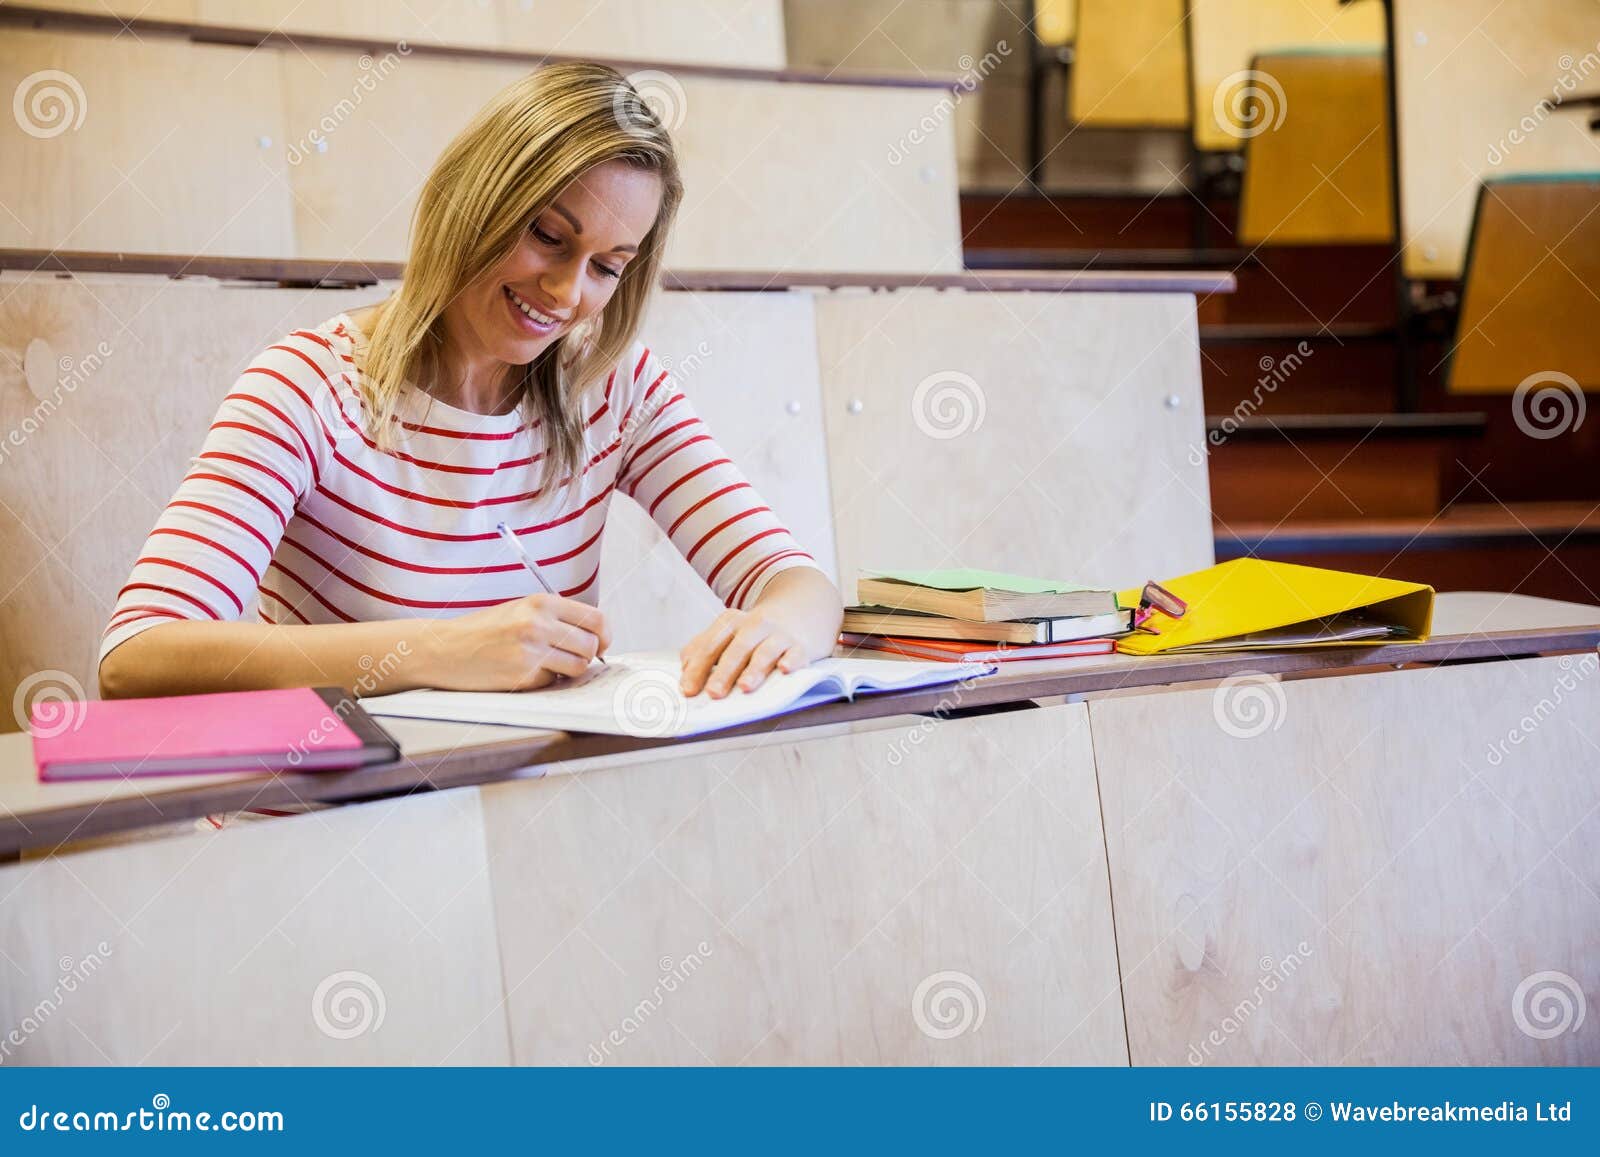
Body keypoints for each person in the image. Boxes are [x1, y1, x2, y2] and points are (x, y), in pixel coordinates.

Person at [97, 62, 841, 704]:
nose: (564, 290)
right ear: (471, 202)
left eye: (607, 266)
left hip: (503, 834)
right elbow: (137, 657)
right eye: (548, 235)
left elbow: (798, 583)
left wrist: (777, 629)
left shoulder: (615, 392)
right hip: (309, 832)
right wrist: (432, 651)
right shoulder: (308, 387)